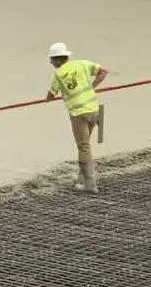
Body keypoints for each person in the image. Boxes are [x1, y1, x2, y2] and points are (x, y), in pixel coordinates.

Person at [45, 41, 107, 194]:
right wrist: (91, 87)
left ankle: (90, 184)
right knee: (85, 145)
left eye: (52, 59)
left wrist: (47, 99)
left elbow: (50, 96)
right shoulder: (82, 64)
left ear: (59, 59)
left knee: (83, 147)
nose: (51, 62)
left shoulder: (59, 74)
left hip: (78, 114)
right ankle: (81, 178)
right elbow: (103, 72)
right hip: (94, 110)